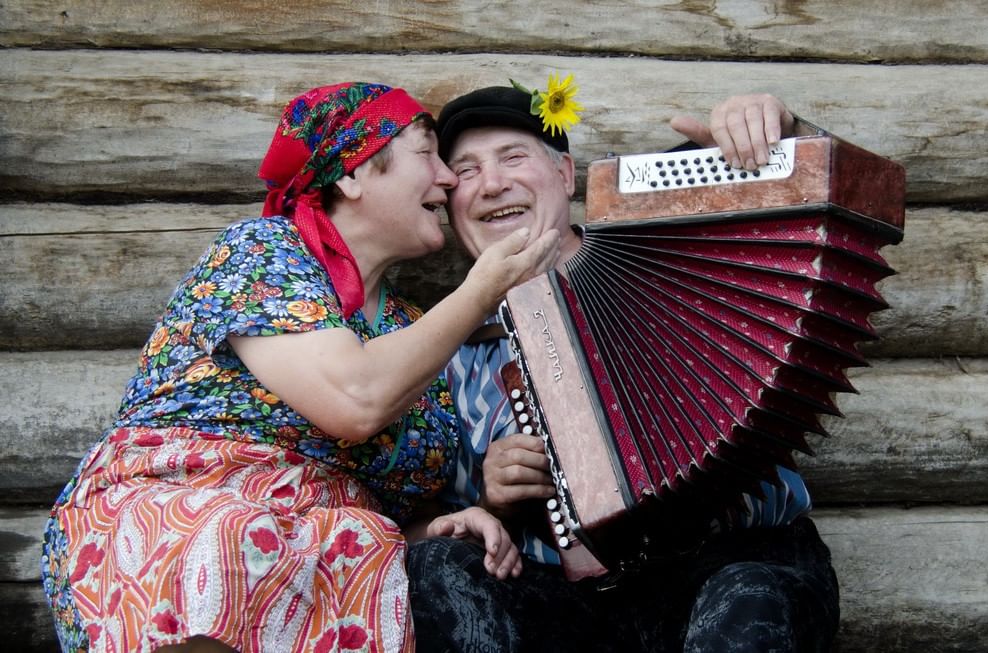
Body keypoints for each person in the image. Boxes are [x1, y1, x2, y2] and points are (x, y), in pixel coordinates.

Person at [40, 82, 558, 653]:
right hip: (196, 506)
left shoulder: (414, 330)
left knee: (368, 558)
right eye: (426, 154)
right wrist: (481, 289)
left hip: (333, 553)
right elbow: (355, 399)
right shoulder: (263, 253)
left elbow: (393, 507)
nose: (448, 178)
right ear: (352, 175)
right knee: (236, 540)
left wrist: (439, 525)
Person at [407, 79, 840, 652]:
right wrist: (492, 503)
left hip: (734, 565)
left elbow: (828, 209)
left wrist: (781, 132)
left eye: (513, 157)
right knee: (439, 567)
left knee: (751, 596)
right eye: (465, 171)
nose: (492, 184)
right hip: (568, 604)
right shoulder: (442, 347)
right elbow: (443, 525)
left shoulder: (677, 256)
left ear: (564, 175)